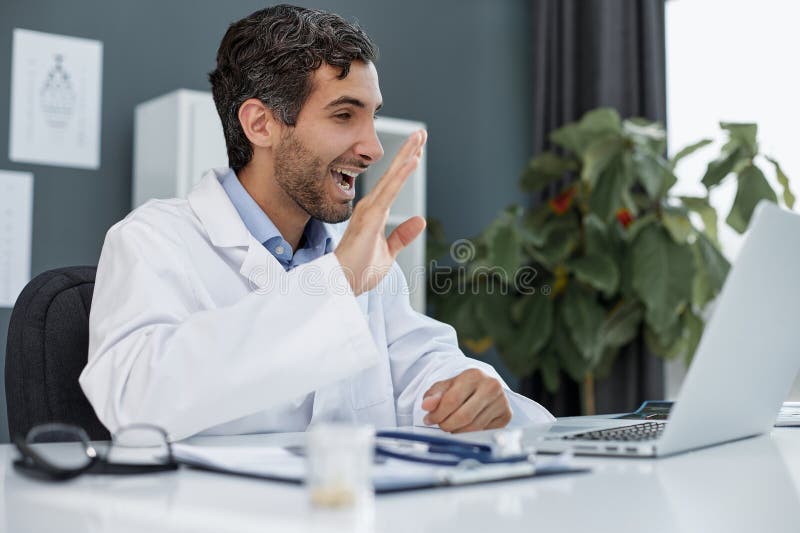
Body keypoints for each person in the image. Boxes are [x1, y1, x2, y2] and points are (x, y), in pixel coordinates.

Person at [79, 4, 553, 441]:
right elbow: (135, 402)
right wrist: (336, 286)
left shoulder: (355, 251)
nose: (372, 148)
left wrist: (466, 391)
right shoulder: (152, 241)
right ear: (260, 124)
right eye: (344, 115)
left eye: (372, 118)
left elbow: (419, 364)